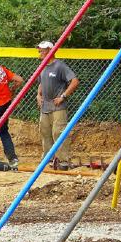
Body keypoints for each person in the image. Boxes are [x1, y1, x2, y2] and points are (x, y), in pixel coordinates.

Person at [35, 40, 79, 170]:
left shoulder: (59, 66)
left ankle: (63, 161)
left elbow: (74, 81)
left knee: (58, 133)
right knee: (45, 132)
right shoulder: (42, 66)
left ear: (51, 50)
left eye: (42, 49)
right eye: (39, 50)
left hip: (58, 107)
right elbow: (41, 83)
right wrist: (38, 95)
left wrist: (63, 96)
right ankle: (48, 159)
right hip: (45, 107)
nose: (40, 52)